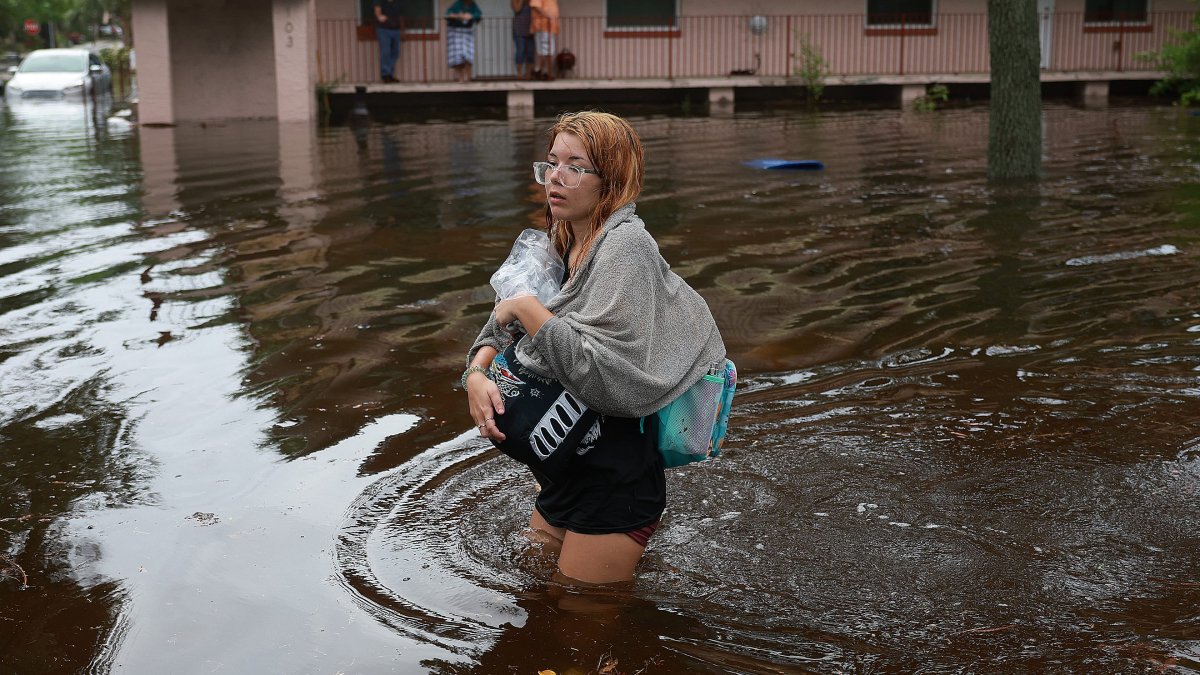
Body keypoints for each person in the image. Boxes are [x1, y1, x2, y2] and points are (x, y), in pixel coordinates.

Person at [462, 112, 726, 585]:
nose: (555, 177)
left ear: (612, 180)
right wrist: (476, 374)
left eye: (575, 167)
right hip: (564, 463)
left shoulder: (626, 248)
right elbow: (500, 320)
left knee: (580, 612)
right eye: (551, 164)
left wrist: (527, 309)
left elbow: (606, 379)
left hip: (614, 477)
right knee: (536, 588)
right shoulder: (562, 238)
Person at [445, 0, 482, 83]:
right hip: (455, 31)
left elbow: (478, 15)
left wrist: (471, 16)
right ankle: (460, 77)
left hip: (468, 32)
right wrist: (459, 16)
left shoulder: (473, 5)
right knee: (457, 55)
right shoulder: (457, 4)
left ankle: (467, 77)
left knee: (468, 55)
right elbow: (448, 14)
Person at [373, 0, 404, 83]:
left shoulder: (398, 2)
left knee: (395, 53)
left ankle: (390, 74)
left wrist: (402, 31)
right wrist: (379, 16)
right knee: (386, 51)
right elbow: (377, 9)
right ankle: (385, 74)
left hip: (396, 29)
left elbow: (400, 16)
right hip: (384, 29)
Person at [529, 0, 559, 80]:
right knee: (547, 49)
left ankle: (539, 70)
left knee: (545, 49)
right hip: (543, 26)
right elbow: (535, 6)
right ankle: (545, 72)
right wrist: (548, 15)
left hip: (548, 26)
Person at [511, 0, 534, 80]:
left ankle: (528, 74)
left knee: (530, 53)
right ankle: (519, 73)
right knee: (520, 51)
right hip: (519, 29)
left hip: (530, 29)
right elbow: (516, 9)